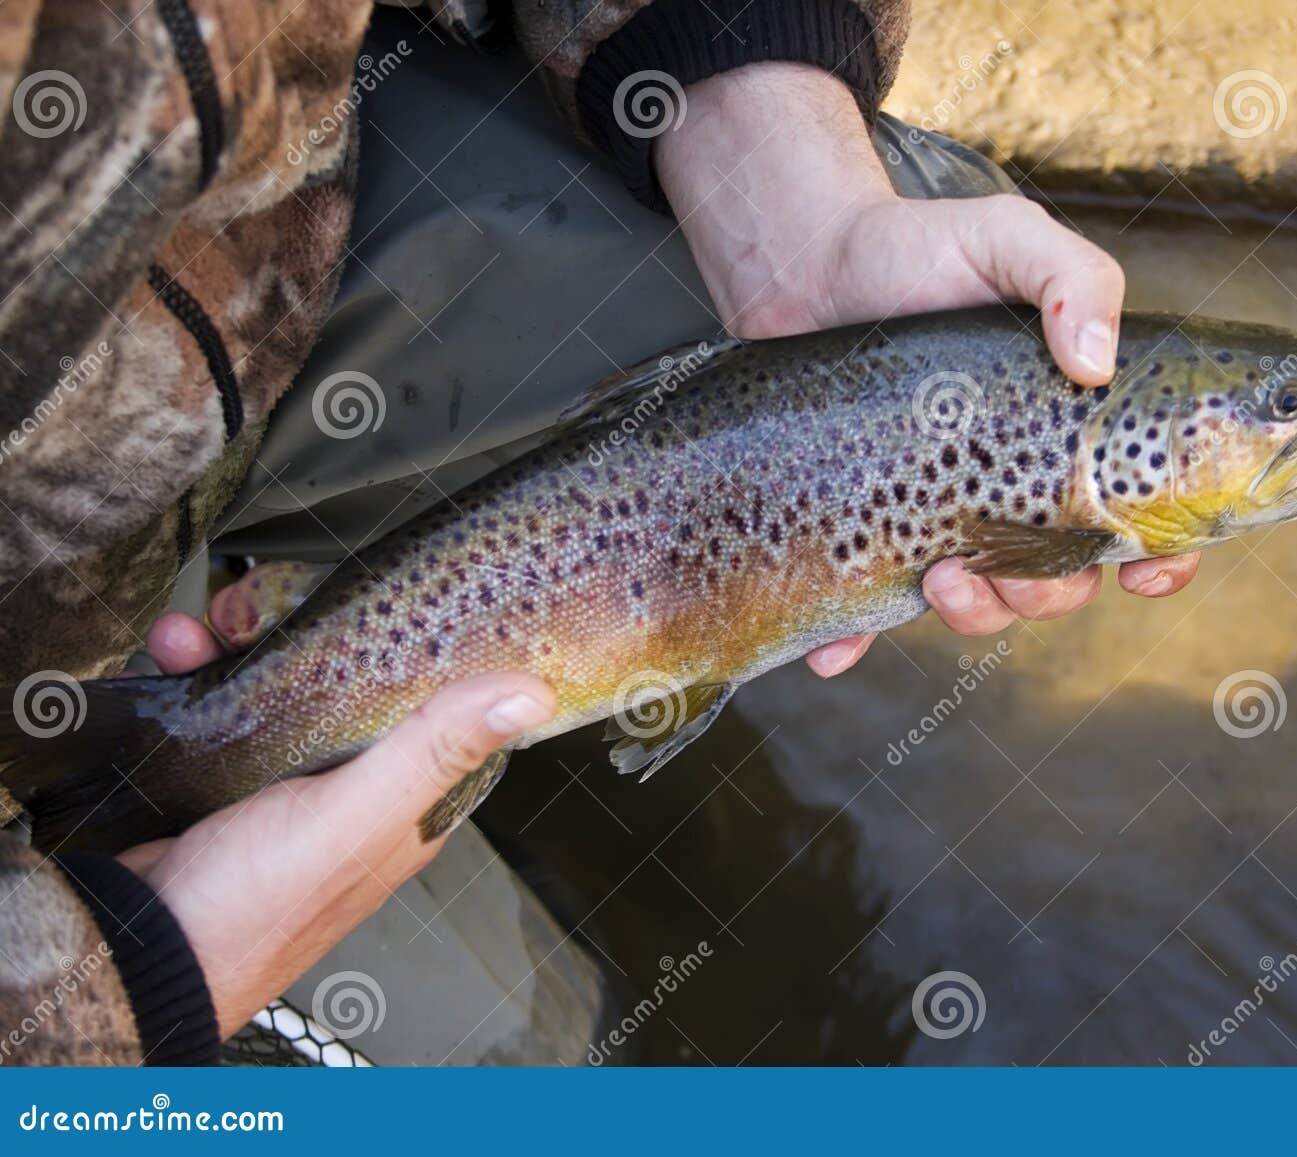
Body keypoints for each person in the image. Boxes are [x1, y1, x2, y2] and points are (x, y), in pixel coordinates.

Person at [0, 0, 1198, 1064]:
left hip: (218, 225)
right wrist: (145, 989)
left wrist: (761, 130)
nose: (1285, 428)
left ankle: (219, 659)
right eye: (1279, 409)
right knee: (517, 1067)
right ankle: (209, 737)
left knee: (940, 256)